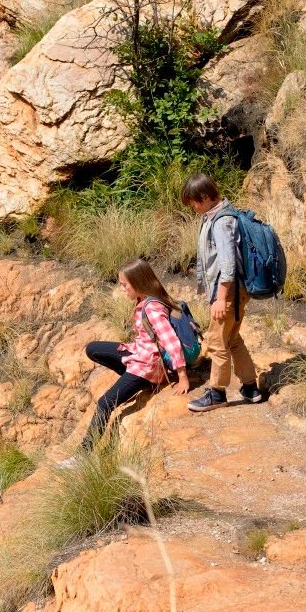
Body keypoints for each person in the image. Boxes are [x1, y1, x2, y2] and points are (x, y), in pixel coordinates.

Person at [74, 258, 189, 453]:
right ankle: (130, 381)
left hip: (147, 366)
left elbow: (171, 341)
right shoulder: (144, 300)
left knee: (105, 403)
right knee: (93, 349)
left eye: (125, 285)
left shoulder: (152, 308)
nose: (123, 289)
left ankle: (82, 455)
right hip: (138, 353)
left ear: (137, 283)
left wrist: (183, 376)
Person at [181, 173, 264, 413]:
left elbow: (227, 265)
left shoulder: (221, 222)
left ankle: (217, 393)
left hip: (228, 293)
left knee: (217, 342)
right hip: (235, 292)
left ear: (205, 197)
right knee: (232, 339)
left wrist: (220, 298)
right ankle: (250, 388)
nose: (194, 208)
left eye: (194, 203)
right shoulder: (220, 216)